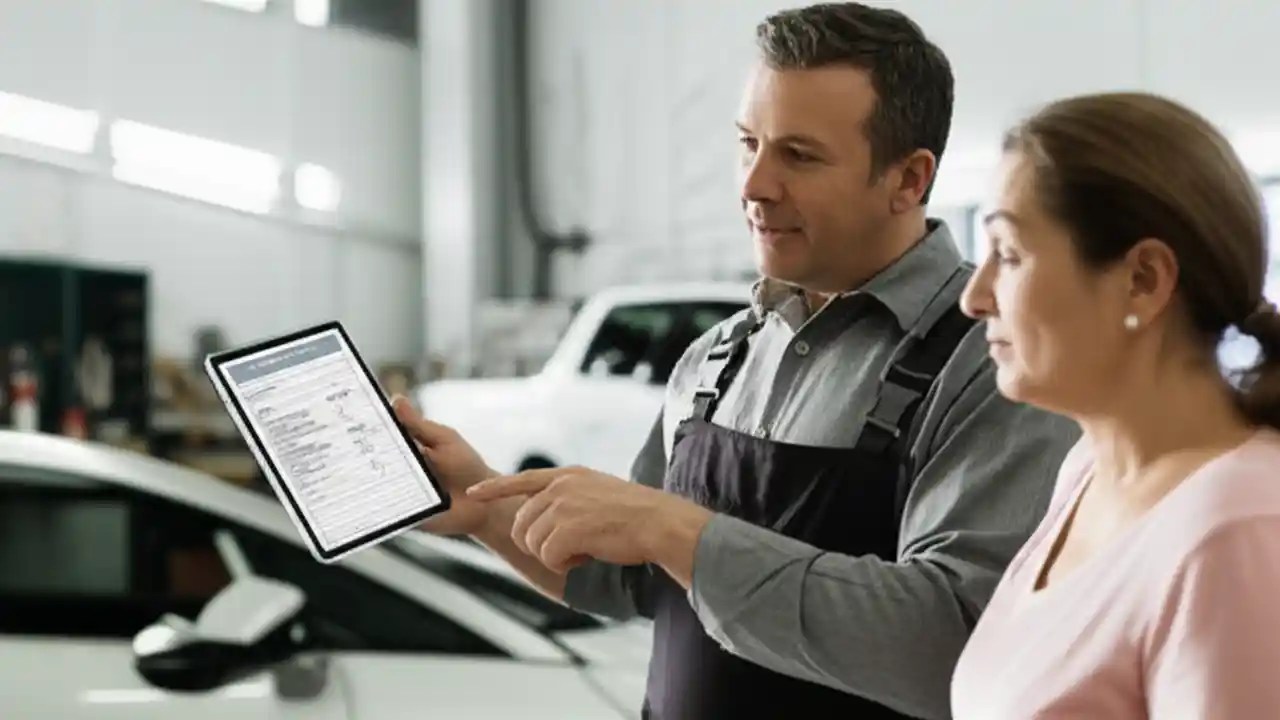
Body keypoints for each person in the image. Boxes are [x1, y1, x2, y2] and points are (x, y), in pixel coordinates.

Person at [395, 3, 1078, 718]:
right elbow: (633, 578)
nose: (754, 185)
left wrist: (678, 530)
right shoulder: (717, 359)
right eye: (748, 143)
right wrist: (478, 504)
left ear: (908, 179)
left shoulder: (995, 366)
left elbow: (952, 644)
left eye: (799, 156)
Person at [946, 92, 1280, 718]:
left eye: (1010, 255)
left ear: (1143, 279)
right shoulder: (1086, 473)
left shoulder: (1237, 528)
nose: (975, 295)